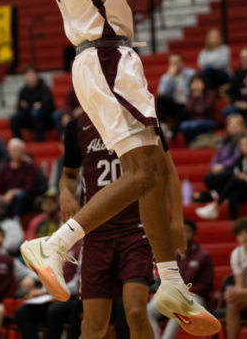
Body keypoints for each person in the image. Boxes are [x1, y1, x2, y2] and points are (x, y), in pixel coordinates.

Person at [11, 0, 217, 334]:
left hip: (109, 59)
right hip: (104, 60)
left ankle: (169, 281)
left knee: (148, 167)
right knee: (144, 172)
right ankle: (53, 244)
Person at [61, 112, 170, 339]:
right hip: (96, 235)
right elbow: (69, 175)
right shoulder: (76, 127)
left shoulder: (139, 118)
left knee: (137, 311)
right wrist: (65, 193)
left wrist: (175, 221)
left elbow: (165, 169)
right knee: (94, 326)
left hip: (135, 230)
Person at [147, 220, 214, 339]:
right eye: (181, 232)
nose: (183, 234)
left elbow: (207, 285)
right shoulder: (171, 255)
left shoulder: (203, 256)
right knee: (149, 310)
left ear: (194, 234)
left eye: (187, 231)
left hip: (194, 297)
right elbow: (164, 279)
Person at [13, 240, 84, 339]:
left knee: (54, 310)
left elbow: (79, 280)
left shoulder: (83, 247)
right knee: (23, 313)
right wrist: (43, 291)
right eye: (61, 223)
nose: (62, 226)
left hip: (72, 296)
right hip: (53, 295)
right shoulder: (57, 247)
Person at [195, 134, 247, 221]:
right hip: (246, 190)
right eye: (240, 145)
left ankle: (215, 205)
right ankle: (233, 221)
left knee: (234, 182)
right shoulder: (239, 161)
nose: (242, 147)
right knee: (233, 193)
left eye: (245, 144)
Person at [196, 115, 247, 204]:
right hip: (222, 170)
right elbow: (217, 156)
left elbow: (237, 157)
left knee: (225, 176)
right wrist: (214, 166)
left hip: (235, 169)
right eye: (231, 124)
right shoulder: (225, 141)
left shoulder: (244, 140)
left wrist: (223, 166)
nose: (233, 127)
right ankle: (224, 196)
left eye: (236, 124)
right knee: (208, 178)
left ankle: (223, 198)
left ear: (242, 126)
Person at [0, 138, 41, 218]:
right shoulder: (4, 168)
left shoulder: (30, 167)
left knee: (19, 196)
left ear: (23, 151)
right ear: (9, 152)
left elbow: (30, 187)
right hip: (6, 198)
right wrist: (1, 196)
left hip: (25, 199)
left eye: (18, 150)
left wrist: (13, 192)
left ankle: (16, 220)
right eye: (13, 150)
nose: (15, 153)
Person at [10, 66, 57, 143]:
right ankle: (18, 142)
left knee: (35, 113)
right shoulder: (23, 91)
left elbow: (48, 106)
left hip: (45, 120)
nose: (30, 79)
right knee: (13, 118)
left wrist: (28, 106)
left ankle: (39, 142)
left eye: (32, 76)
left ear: (37, 76)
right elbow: (20, 108)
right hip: (29, 119)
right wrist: (33, 106)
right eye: (27, 76)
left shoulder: (44, 88)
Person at [156, 53, 196, 128]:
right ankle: (163, 125)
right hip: (175, 104)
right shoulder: (167, 76)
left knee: (185, 110)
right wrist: (169, 77)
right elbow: (161, 92)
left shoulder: (191, 73)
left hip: (188, 104)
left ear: (182, 62)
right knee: (161, 99)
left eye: (176, 62)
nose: (174, 65)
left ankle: (171, 132)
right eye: (172, 63)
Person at [178, 74, 218, 146]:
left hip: (209, 120)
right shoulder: (190, 96)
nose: (196, 85)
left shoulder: (210, 93)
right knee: (183, 125)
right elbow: (189, 110)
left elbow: (205, 108)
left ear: (204, 83)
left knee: (194, 126)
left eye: (198, 82)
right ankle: (191, 144)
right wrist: (194, 97)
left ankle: (197, 143)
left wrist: (200, 95)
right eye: (194, 82)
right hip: (193, 122)